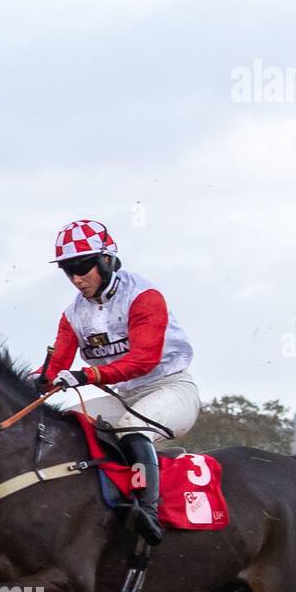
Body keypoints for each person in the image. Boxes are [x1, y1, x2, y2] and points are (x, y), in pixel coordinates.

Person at [36, 218, 200, 545]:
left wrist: (89, 375)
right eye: (68, 270)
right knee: (69, 426)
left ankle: (147, 513)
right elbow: (56, 368)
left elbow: (144, 360)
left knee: (130, 428)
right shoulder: (73, 314)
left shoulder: (144, 297)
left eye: (83, 266)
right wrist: (33, 381)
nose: (77, 279)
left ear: (107, 260)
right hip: (121, 395)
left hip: (169, 388)